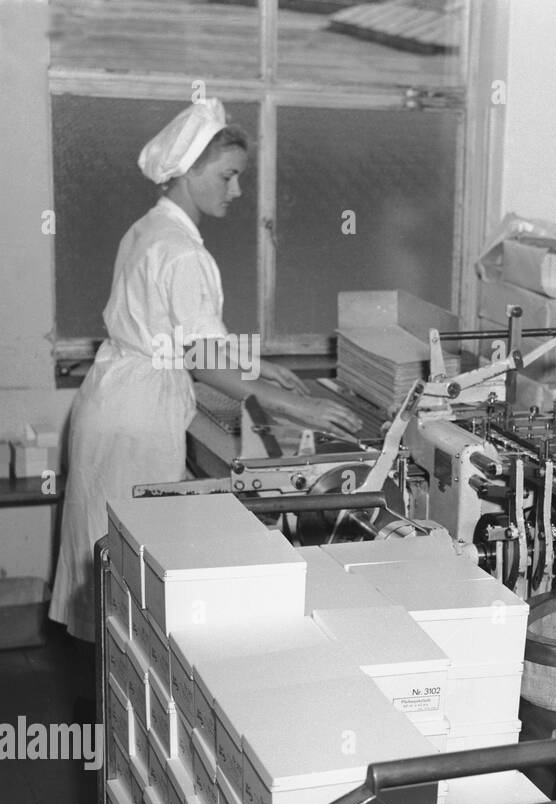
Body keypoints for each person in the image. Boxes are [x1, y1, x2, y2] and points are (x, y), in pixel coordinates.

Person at [50, 99, 362, 644]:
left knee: (108, 552)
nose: (236, 191)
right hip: (138, 417)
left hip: (113, 396)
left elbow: (177, 334)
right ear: (190, 171)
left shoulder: (149, 229)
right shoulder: (183, 252)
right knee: (129, 562)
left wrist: (257, 362)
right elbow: (198, 356)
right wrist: (299, 405)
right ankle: (127, 688)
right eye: (228, 176)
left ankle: (116, 683)